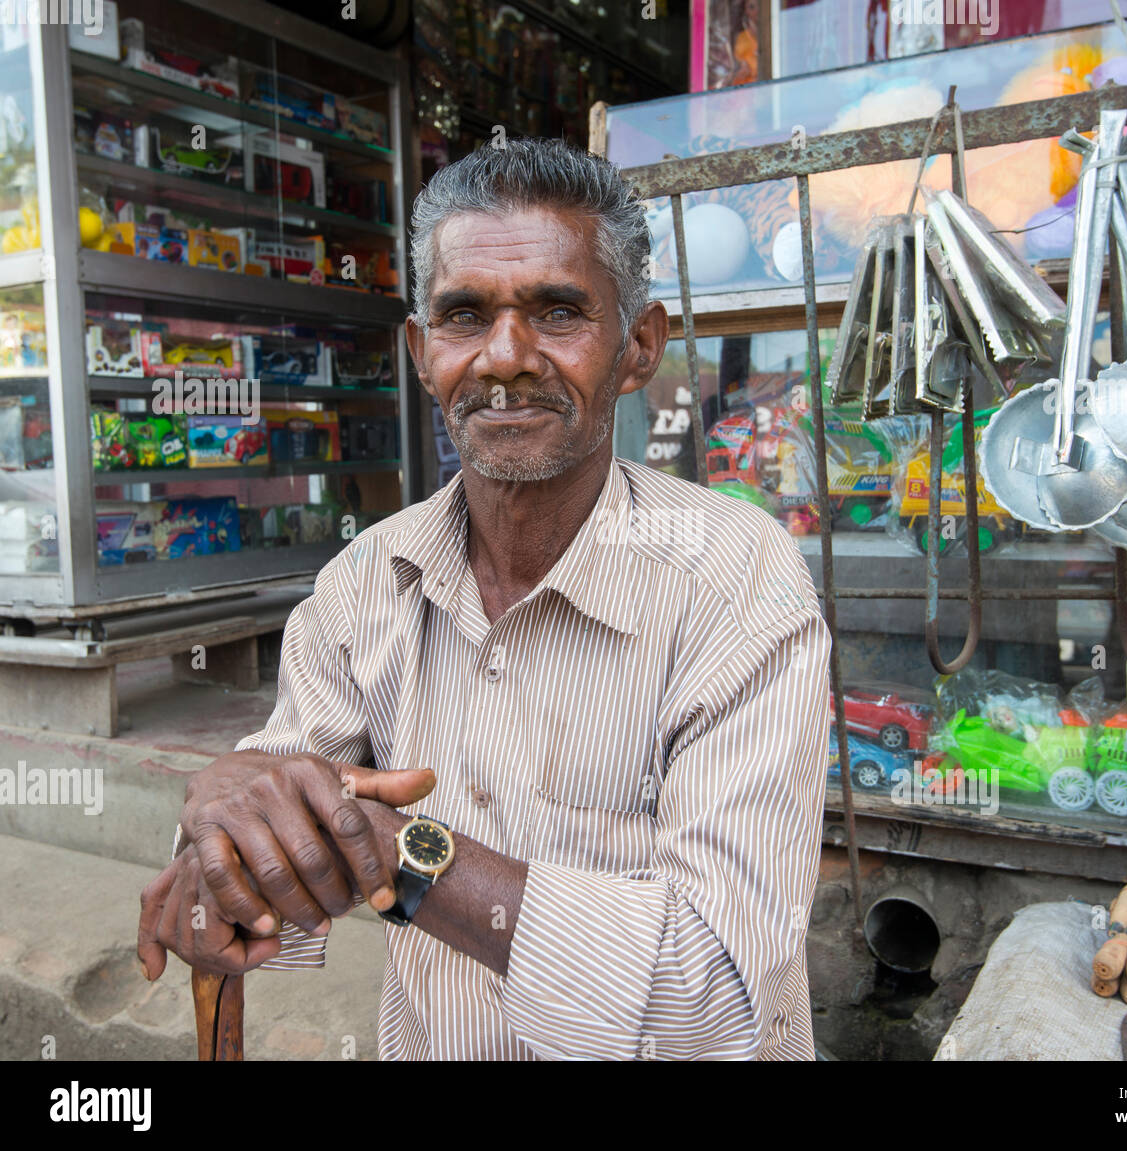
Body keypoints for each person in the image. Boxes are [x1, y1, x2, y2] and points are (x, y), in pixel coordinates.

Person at [137, 137, 831, 1060]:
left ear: (640, 347)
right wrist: (222, 847)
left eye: (557, 310)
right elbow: (266, 832)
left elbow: (709, 993)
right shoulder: (365, 582)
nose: (505, 357)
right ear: (423, 355)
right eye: (465, 315)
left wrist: (400, 852)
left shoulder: (734, 577)